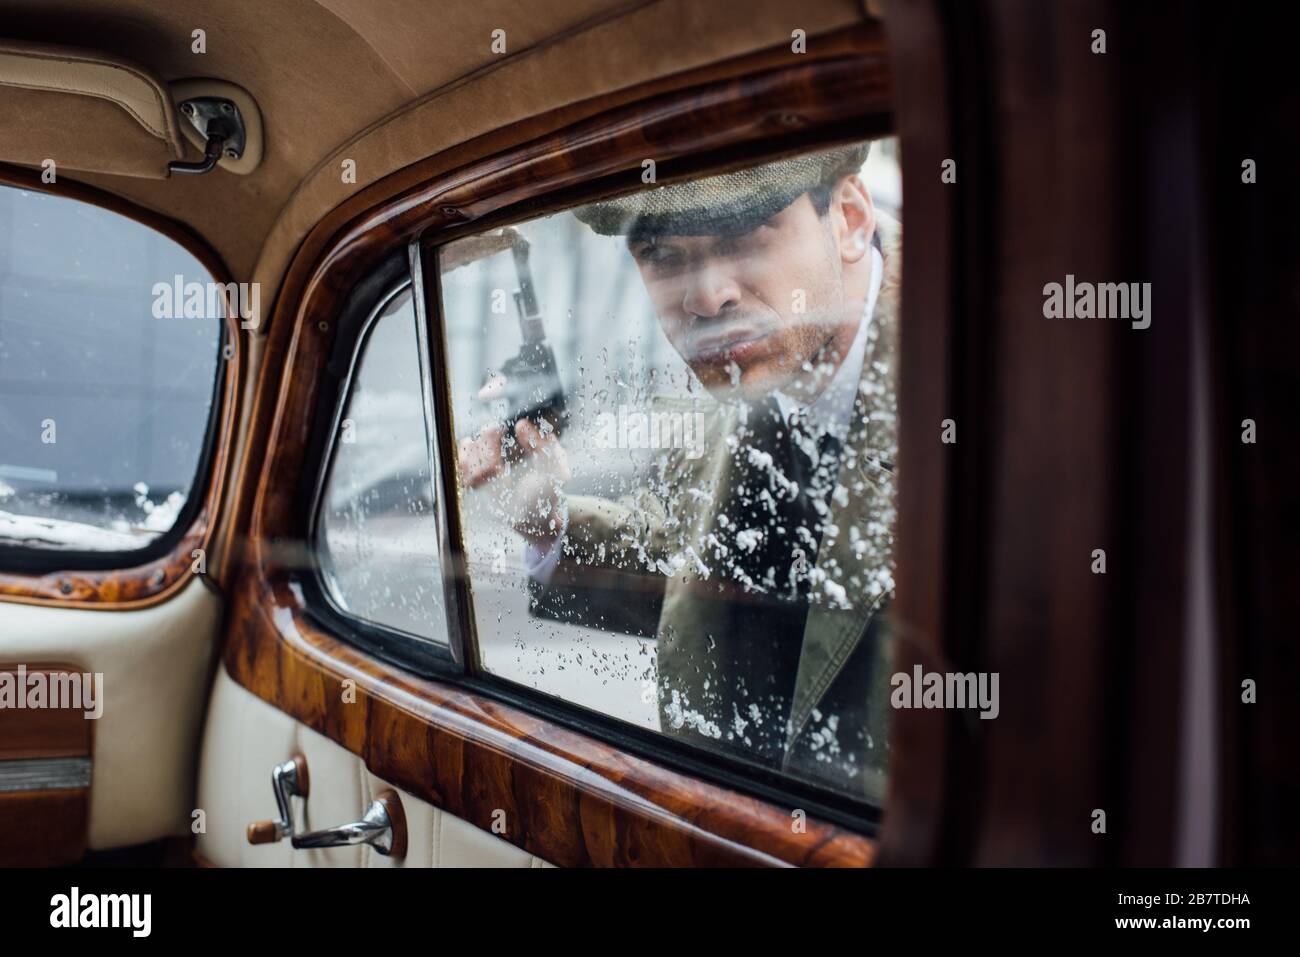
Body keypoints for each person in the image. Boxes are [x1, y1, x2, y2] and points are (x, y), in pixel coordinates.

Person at [458, 142, 899, 801]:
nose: (707, 297)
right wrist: (549, 525)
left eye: (748, 237)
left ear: (851, 218)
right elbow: (696, 565)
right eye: (663, 254)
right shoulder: (745, 379)